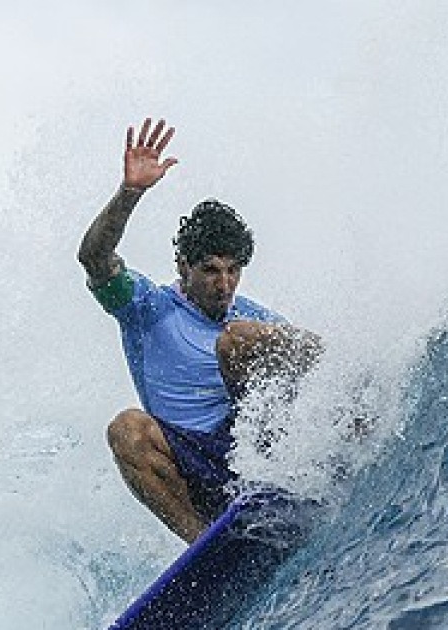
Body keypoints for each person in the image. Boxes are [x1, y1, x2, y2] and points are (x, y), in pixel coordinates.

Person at [78, 118, 321, 543]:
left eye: (233, 270)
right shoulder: (147, 308)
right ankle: (205, 545)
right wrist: (130, 193)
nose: (224, 283)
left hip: (256, 450)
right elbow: (95, 258)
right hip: (192, 464)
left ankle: (277, 476)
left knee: (247, 339)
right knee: (126, 429)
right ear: (183, 267)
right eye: (210, 270)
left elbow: (316, 358)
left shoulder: (248, 317)